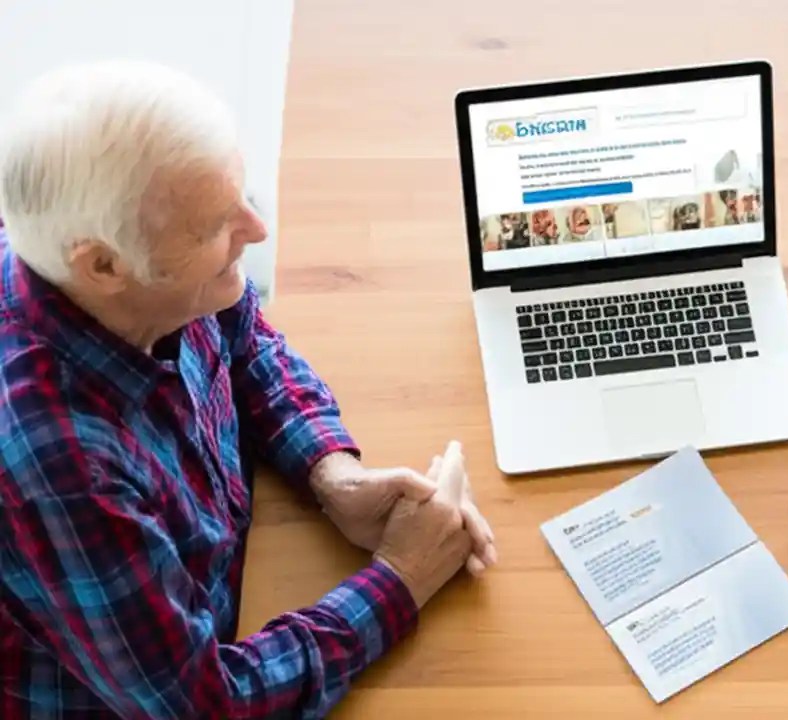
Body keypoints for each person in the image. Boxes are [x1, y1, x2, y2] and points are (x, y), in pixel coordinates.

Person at [0, 60, 498, 718]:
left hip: (242, 577)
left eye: (243, 193)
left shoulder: (154, 273)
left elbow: (246, 341)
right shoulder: (59, 464)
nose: (256, 231)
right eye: (214, 228)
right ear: (104, 265)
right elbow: (208, 706)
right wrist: (401, 578)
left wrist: (331, 474)